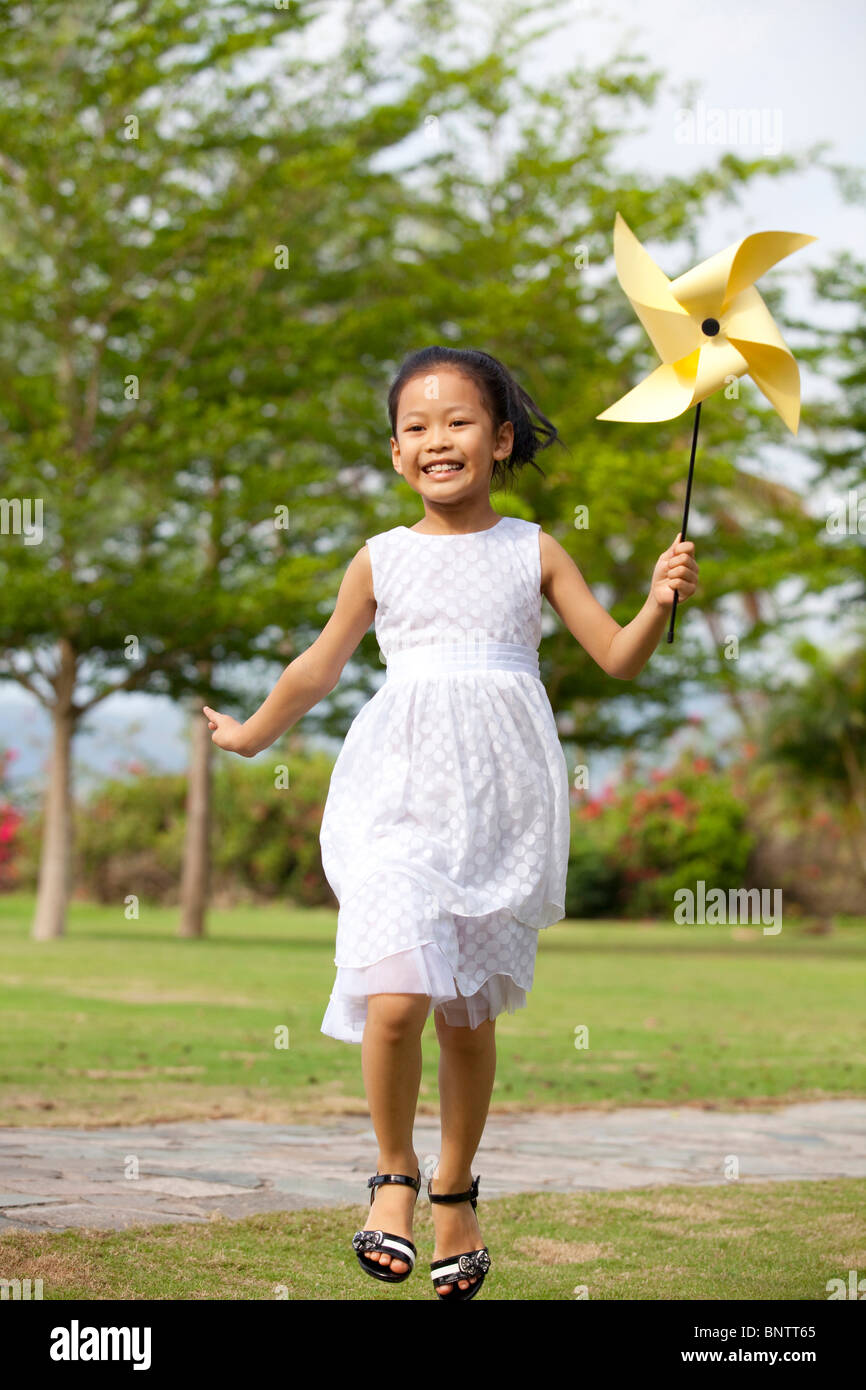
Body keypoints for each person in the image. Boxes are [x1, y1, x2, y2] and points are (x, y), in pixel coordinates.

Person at [202, 345, 699, 1299]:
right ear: (395, 453)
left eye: (460, 421)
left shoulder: (534, 549)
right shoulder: (380, 559)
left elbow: (619, 657)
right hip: (400, 795)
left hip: (503, 807)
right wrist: (256, 734)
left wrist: (656, 599)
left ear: (501, 439)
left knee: (467, 1018)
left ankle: (457, 1190)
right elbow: (318, 665)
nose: (439, 439)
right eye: (417, 426)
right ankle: (393, 1173)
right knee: (395, 996)